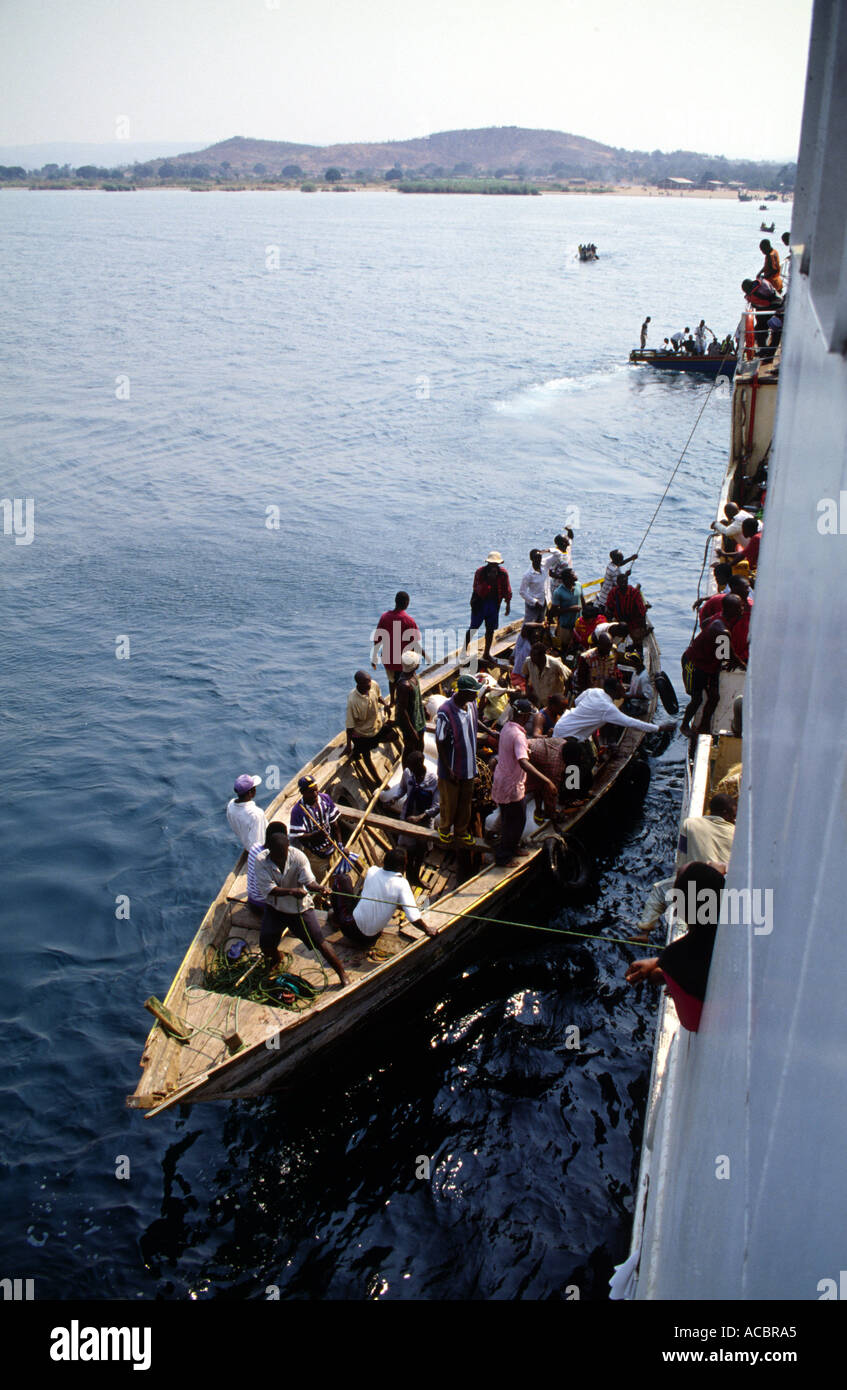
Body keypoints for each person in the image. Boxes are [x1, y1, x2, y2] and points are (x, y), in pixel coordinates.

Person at [625, 863, 725, 1031]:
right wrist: (659, 962)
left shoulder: (675, 957)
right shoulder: (730, 926)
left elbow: (691, 1022)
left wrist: (662, 969)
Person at [251, 827, 348, 985]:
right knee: (266, 943)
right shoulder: (261, 860)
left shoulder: (298, 857)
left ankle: (342, 973)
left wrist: (320, 888)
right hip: (275, 908)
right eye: (276, 857)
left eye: (283, 855)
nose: (280, 859)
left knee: (319, 942)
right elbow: (270, 890)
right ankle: (277, 957)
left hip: (299, 909)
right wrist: (291, 891)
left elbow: (309, 882)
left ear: (288, 847)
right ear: (269, 851)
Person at [491, 698, 557, 865]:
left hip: (502, 780)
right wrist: (547, 781)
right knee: (517, 821)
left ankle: (511, 848)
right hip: (512, 784)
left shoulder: (507, 727)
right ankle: (504, 857)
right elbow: (523, 761)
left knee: (508, 818)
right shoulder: (519, 735)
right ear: (526, 716)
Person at [332, 847, 436, 946]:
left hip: (349, 930)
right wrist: (427, 929)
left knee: (343, 878)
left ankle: (336, 918)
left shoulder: (372, 871)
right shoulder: (402, 884)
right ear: (403, 867)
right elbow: (414, 917)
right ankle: (336, 918)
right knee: (352, 890)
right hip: (370, 938)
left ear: (384, 862)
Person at [436, 673, 484, 846]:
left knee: (465, 802)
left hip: (469, 766)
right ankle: (444, 829)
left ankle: (461, 831)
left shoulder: (471, 705)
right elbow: (440, 742)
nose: (476, 695)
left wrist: (490, 731)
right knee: (449, 803)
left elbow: (476, 722)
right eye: (474, 692)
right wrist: (448, 768)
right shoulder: (445, 712)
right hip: (452, 769)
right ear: (463, 692)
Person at [553, 677, 673, 742]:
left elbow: (577, 702)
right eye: (621, 689)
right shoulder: (608, 708)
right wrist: (658, 728)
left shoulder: (594, 691)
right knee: (573, 766)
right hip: (567, 736)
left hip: (562, 724)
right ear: (613, 691)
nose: (624, 690)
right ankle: (573, 785)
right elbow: (631, 722)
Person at [381, 750, 439, 885]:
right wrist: (394, 798)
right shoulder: (408, 773)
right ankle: (408, 877)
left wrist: (420, 817)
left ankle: (416, 877)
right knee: (407, 848)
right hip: (407, 815)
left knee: (421, 850)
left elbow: (437, 806)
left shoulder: (433, 779)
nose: (410, 770)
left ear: (420, 764)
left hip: (424, 820)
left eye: (413, 767)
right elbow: (402, 788)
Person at [679, 616, 728, 738]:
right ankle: (684, 725)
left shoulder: (717, 618)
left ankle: (704, 725)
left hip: (709, 665)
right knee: (697, 698)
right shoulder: (722, 631)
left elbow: (705, 623)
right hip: (694, 664)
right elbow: (724, 655)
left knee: (714, 696)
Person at [345, 670, 397, 782]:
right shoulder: (352, 701)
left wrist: (385, 705)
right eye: (366, 683)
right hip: (362, 733)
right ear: (359, 684)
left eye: (369, 681)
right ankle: (378, 781)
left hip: (376, 726)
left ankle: (374, 743)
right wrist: (348, 745)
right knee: (367, 757)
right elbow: (349, 727)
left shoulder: (373, 685)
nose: (369, 684)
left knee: (394, 736)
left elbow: (379, 697)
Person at [371, 591, 421, 698]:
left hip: (388, 658)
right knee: (405, 681)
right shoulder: (409, 621)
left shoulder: (384, 617)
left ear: (395, 601)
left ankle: (393, 700)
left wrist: (374, 657)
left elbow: (377, 639)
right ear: (407, 603)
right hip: (404, 661)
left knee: (391, 680)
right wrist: (416, 660)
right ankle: (402, 700)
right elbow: (415, 643)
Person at [466, 552, 512, 663]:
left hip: (494, 604)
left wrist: (508, 605)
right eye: (492, 564)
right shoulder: (480, 572)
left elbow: (507, 590)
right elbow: (478, 590)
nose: (494, 566)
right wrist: (489, 580)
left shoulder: (503, 574)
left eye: (496, 564)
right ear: (488, 563)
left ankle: (486, 653)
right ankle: (464, 650)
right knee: (473, 627)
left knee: (490, 630)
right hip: (480, 603)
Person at [288, 776, 342, 860]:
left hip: (332, 846)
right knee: (318, 871)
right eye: (311, 792)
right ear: (302, 792)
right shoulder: (298, 811)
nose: (315, 794)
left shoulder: (325, 799)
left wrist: (340, 844)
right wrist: (316, 835)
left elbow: (334, 824)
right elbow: (300, 837)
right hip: (315, 853)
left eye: (316, 790)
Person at [679, 793, 736, 866]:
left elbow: (681, 859)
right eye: (733, 816)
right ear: (725, 813)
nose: (734, 820)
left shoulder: (689, 824)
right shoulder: (736, 833)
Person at [393, 648, 426, 765]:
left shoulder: (413, 675)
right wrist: (411, 730)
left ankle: (419, 766)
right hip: (409, 722)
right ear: (415, 666)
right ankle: (407, 772)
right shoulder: (404, 685)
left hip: (418, 716)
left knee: (420, 743)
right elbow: (402, 711)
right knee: (409, 747)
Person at [603, 572, 649, 650]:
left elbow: (642, 612)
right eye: (621, 583)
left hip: (633, 621)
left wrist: (643, 628)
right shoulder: (613, 592)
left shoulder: (634, 593)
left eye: (625, 582)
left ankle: (637, 648)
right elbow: (609, 608)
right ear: (617, 583)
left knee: (637, 639)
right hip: (619, 620)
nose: (623, 584)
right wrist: (609, 624)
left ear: (627, 582)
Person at [226, 774, 267, 852]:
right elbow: (258, 844)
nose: (255, 790)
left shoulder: (230, 805)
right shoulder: (256, 814)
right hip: (259, 850)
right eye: (254, 788)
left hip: (246, 843)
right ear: (249, 793)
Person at [522, 642, 570, 707]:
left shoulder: (555, 664)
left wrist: (563, 697)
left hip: (555, 704)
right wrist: (528, 691)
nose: (532, 658)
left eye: (534, 655)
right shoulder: (528, 662)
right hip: (539, 702)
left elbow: (568, 677)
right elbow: (526, 675)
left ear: (542, 655)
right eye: (531, 655)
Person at [574, 631, 618, 696]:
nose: (608, 649)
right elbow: (581, 680)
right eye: (606, 646)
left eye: (610, 646)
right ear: (598, 645)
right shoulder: (587, 658)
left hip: (605, 695)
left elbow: (615, 672)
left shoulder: (613, 654)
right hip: (590, 694)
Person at [550, 567, 583, 651]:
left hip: (578, 623)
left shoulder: (578, 585)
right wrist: (570, 609)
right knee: (564, 647)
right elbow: (554, 611)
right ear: (567, 579)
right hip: (565, 625)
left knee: (578, 645)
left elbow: (583, 600)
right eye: (573, 574)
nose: (576, 575)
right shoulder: (558, 592)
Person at [519, 549, 547, 622]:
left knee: (541, 624)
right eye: (536, 557)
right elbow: (522, 592)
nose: (538, 559)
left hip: (543, 602)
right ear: (531, 559)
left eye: (540, 557)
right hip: (532, 605)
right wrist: (535, 602)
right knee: (528, 625)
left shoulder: (544, 569)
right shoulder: (528, 575)